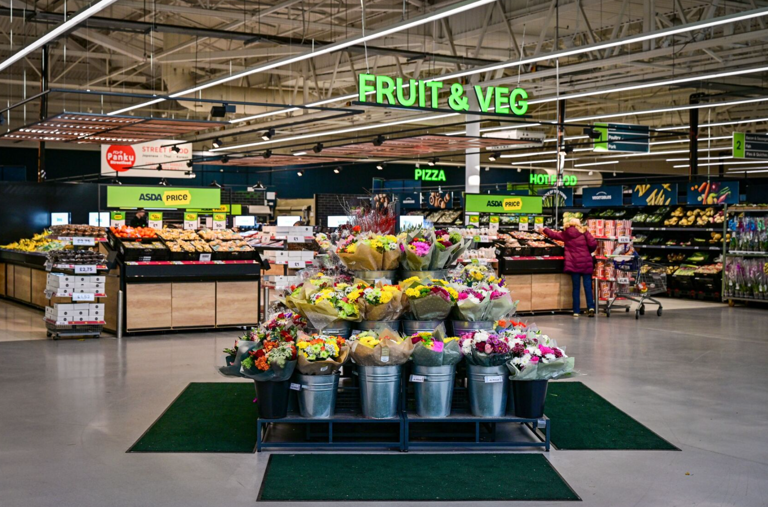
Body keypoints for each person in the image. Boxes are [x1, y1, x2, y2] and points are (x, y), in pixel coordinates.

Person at [543, 218, 597, 317]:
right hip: (586, 262)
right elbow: (593, 243)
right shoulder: (584, 232)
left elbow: (554, 235)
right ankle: (591, 307)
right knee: (588, 286)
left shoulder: (566, 233)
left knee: (576, 288)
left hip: (574, 263)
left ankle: (576, 311)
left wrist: (544, 229)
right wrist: (588, 251)